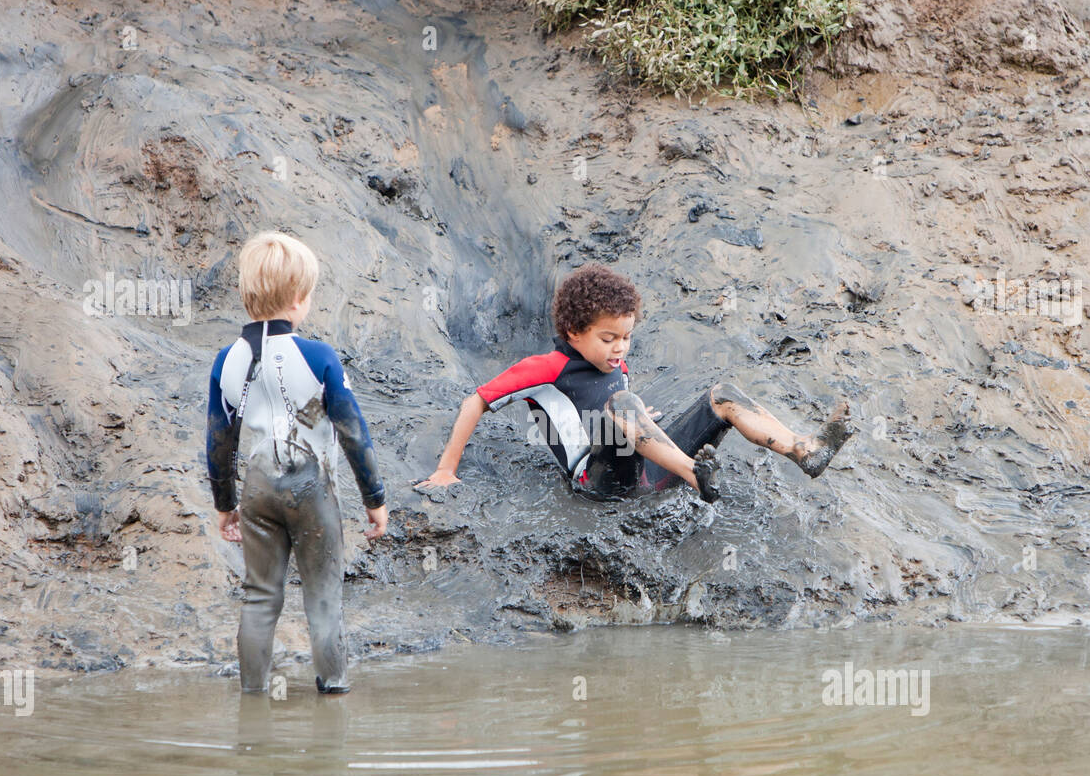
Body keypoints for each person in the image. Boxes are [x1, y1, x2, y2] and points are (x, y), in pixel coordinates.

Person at [416, 263, 854, 501]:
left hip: (647, 469)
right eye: (608, 339)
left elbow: (622, 408)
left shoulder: (615, 365)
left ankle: (806, 450)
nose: (620, 348)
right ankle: (697, 476)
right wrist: (445, 470)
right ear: (574, 332)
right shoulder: (545, 367)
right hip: (597, 480)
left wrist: (640, 421)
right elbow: (475, 401)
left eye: (626, 337)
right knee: (624, 404)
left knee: (722, 395)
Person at [206, 231, 387, 695]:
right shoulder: (318, 355)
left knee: (260, 596)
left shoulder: (227, 360)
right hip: (311, 486)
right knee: (323, 597)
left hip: (258, 488)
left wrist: (224, 503)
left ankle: (252, 694)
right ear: (300, 300)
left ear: (248, 297)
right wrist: (375, 498)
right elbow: (352, 430)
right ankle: (334, 689)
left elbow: (219, 441)